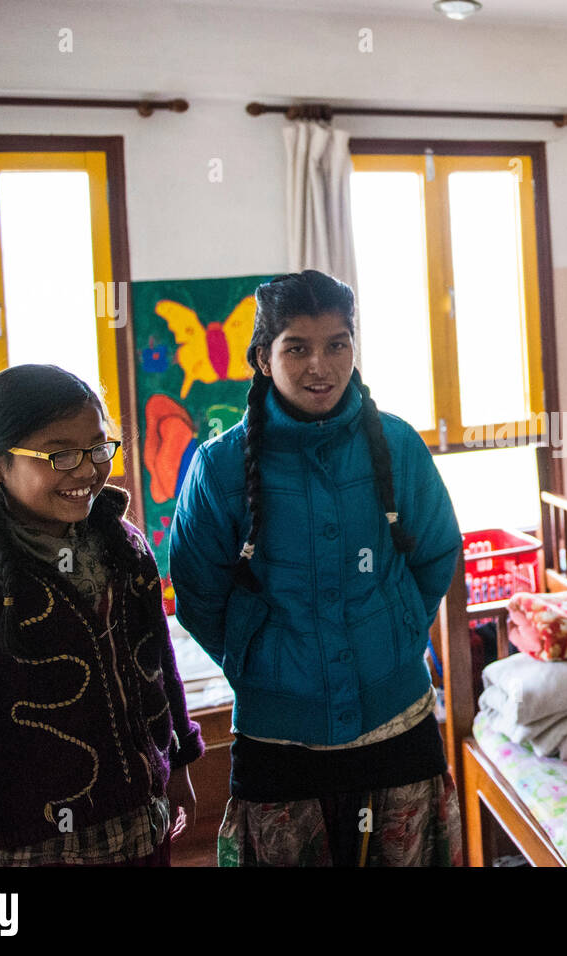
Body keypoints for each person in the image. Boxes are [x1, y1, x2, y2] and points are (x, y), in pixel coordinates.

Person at [169, 270, 464, 867]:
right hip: (278, 736)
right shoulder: (219, 468)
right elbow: (199, 593)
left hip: (397, 720)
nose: (320, 366)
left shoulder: (399, 445)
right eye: (296, 348)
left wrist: (400, 628)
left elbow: (436, 554)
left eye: (337, 344)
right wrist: (257, 655)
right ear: (262, 358)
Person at [0, 364, 202, 866]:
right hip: (31, 854)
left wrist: (180, 762)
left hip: (144, 833)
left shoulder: (126, 550)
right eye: (60, 454)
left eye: (99, 447)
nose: (86, 471)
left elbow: (159, 666)